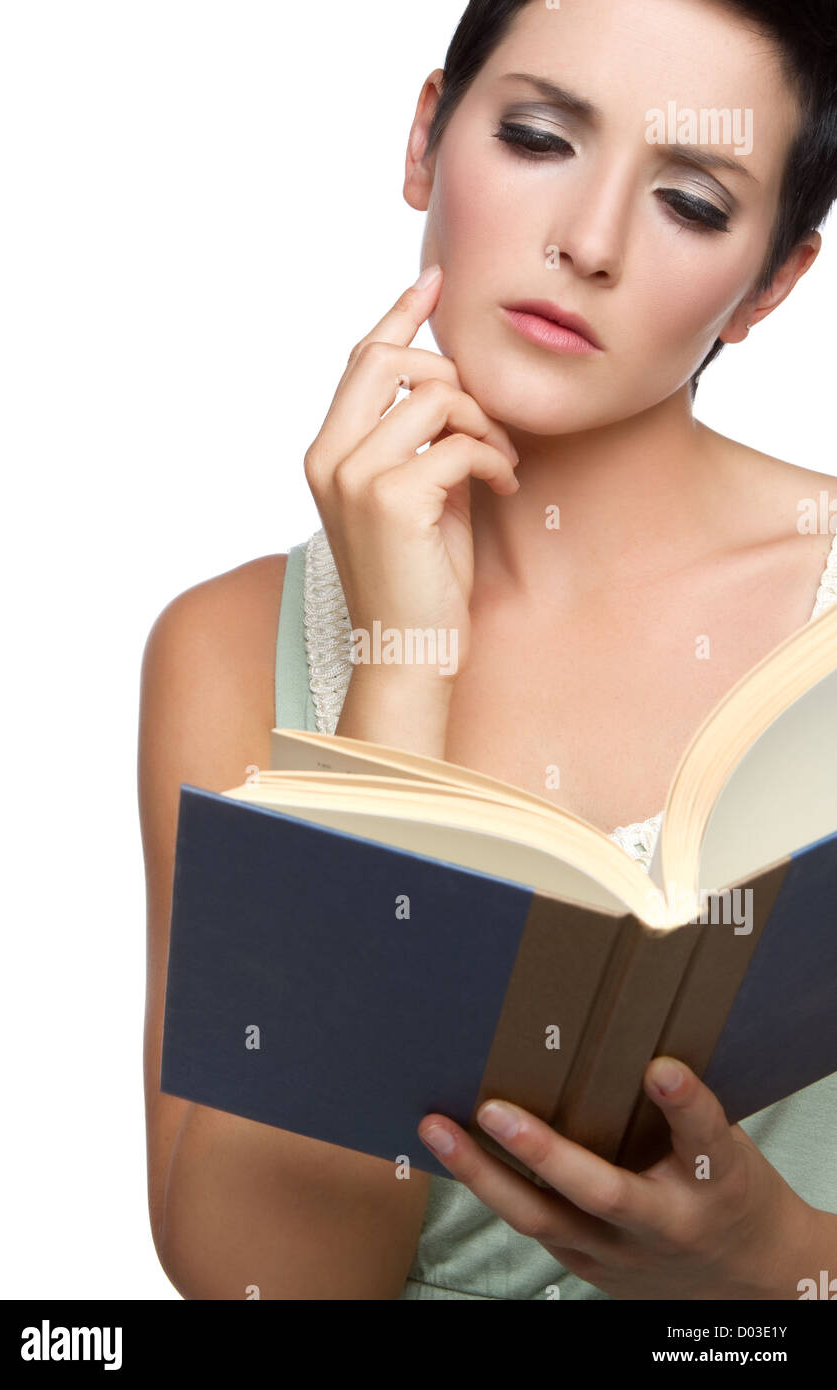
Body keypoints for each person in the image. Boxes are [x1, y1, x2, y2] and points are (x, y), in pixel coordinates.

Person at [139, 0, 837, 1299]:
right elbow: (275, 1286)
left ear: (773, 281)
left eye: (689, 201)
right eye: (535, 137)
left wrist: (773, 1258)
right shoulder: (228, 644)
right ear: (425, 138)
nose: (586, 241)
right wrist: (399, 665)